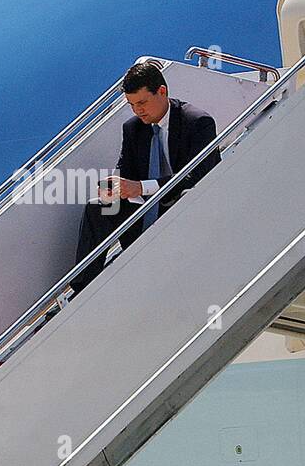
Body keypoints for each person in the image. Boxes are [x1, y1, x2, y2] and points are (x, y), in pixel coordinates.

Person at [71, 60, 221, 293]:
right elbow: (124, 171)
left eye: (142, 102)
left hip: (185, 210)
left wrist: (142, 187)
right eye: (131, 105)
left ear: (162, 91)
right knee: (98, 208)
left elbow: (198, 176)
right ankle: (82, 290)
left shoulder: (197, 122)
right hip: (144, 212)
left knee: (186, 193)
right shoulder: (133, 128)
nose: (138, 110)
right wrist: (111, 187)